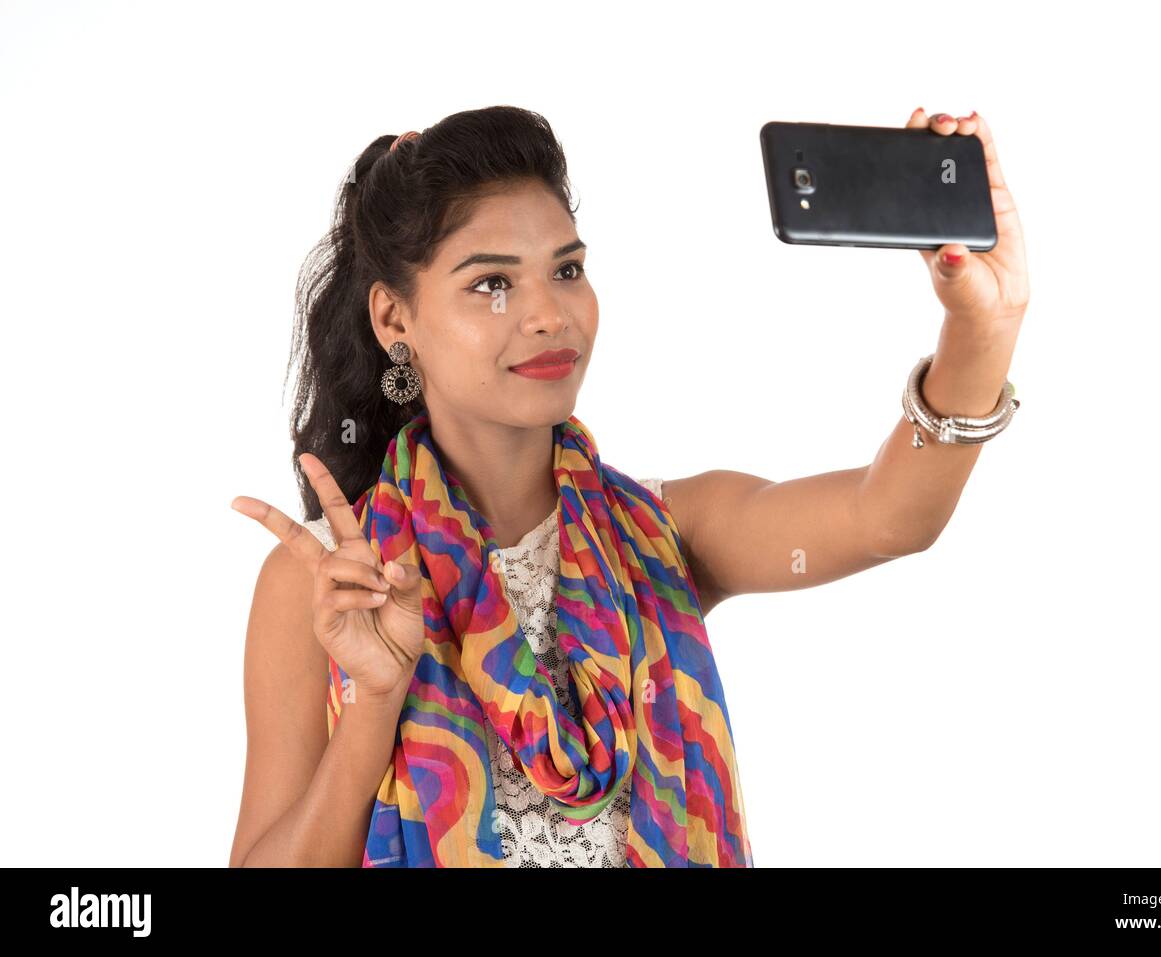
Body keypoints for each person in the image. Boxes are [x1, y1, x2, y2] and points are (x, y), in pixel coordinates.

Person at [227, 104, 1030, 868]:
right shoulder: (332, 581)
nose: (548, 314)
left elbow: (888, 517)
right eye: (492, 283)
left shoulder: (662, 536)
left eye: (566, 268)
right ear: (394, 319)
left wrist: (983, 327)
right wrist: (374, 700)